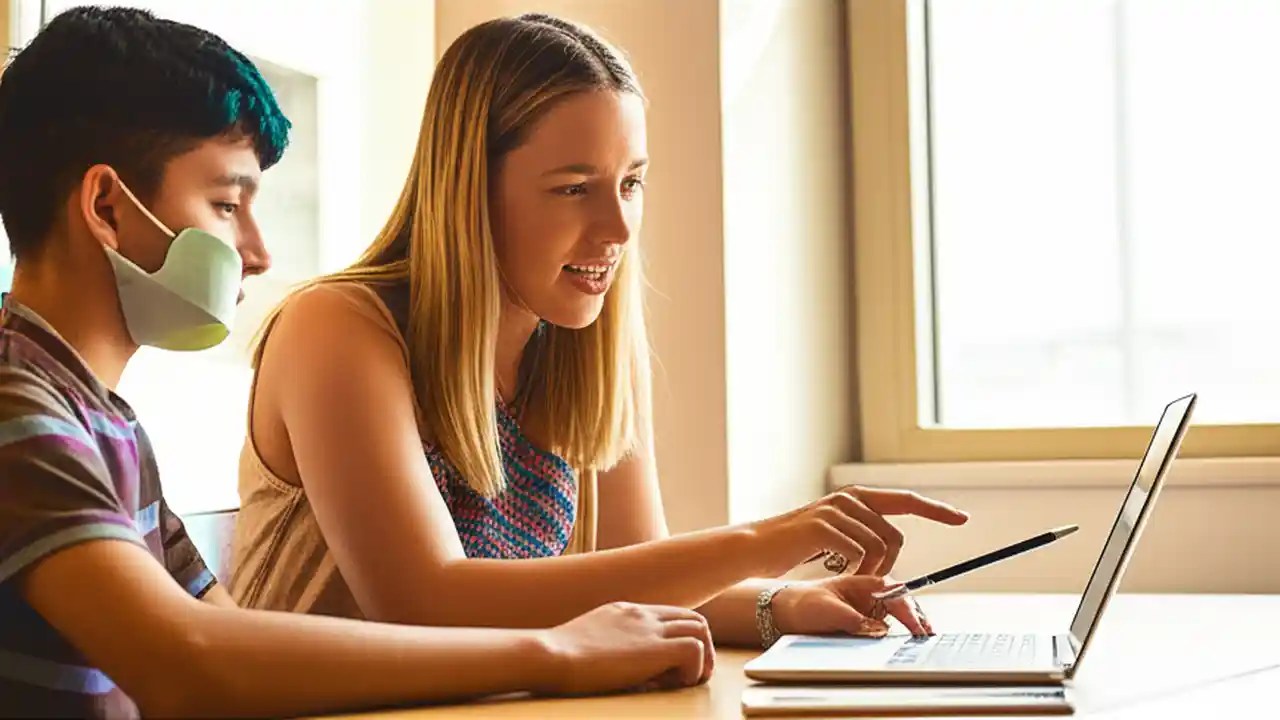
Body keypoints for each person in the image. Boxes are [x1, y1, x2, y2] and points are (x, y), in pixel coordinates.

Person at [0, 8, 717, 718]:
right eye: (225, 206)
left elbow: (235, 639)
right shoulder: (15, 403)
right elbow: (188, 661)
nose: (258, 253)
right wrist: (551, 654)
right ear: (106, 206)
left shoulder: (103, 420)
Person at [232, 12, 970, 649]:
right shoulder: (337, 328)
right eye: (575, 188)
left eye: (631, 183)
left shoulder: (582, 344)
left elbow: (638, 578)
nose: (618, 228)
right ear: (467, 189)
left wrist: (784, 604)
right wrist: (763, 542)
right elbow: (426, 601)